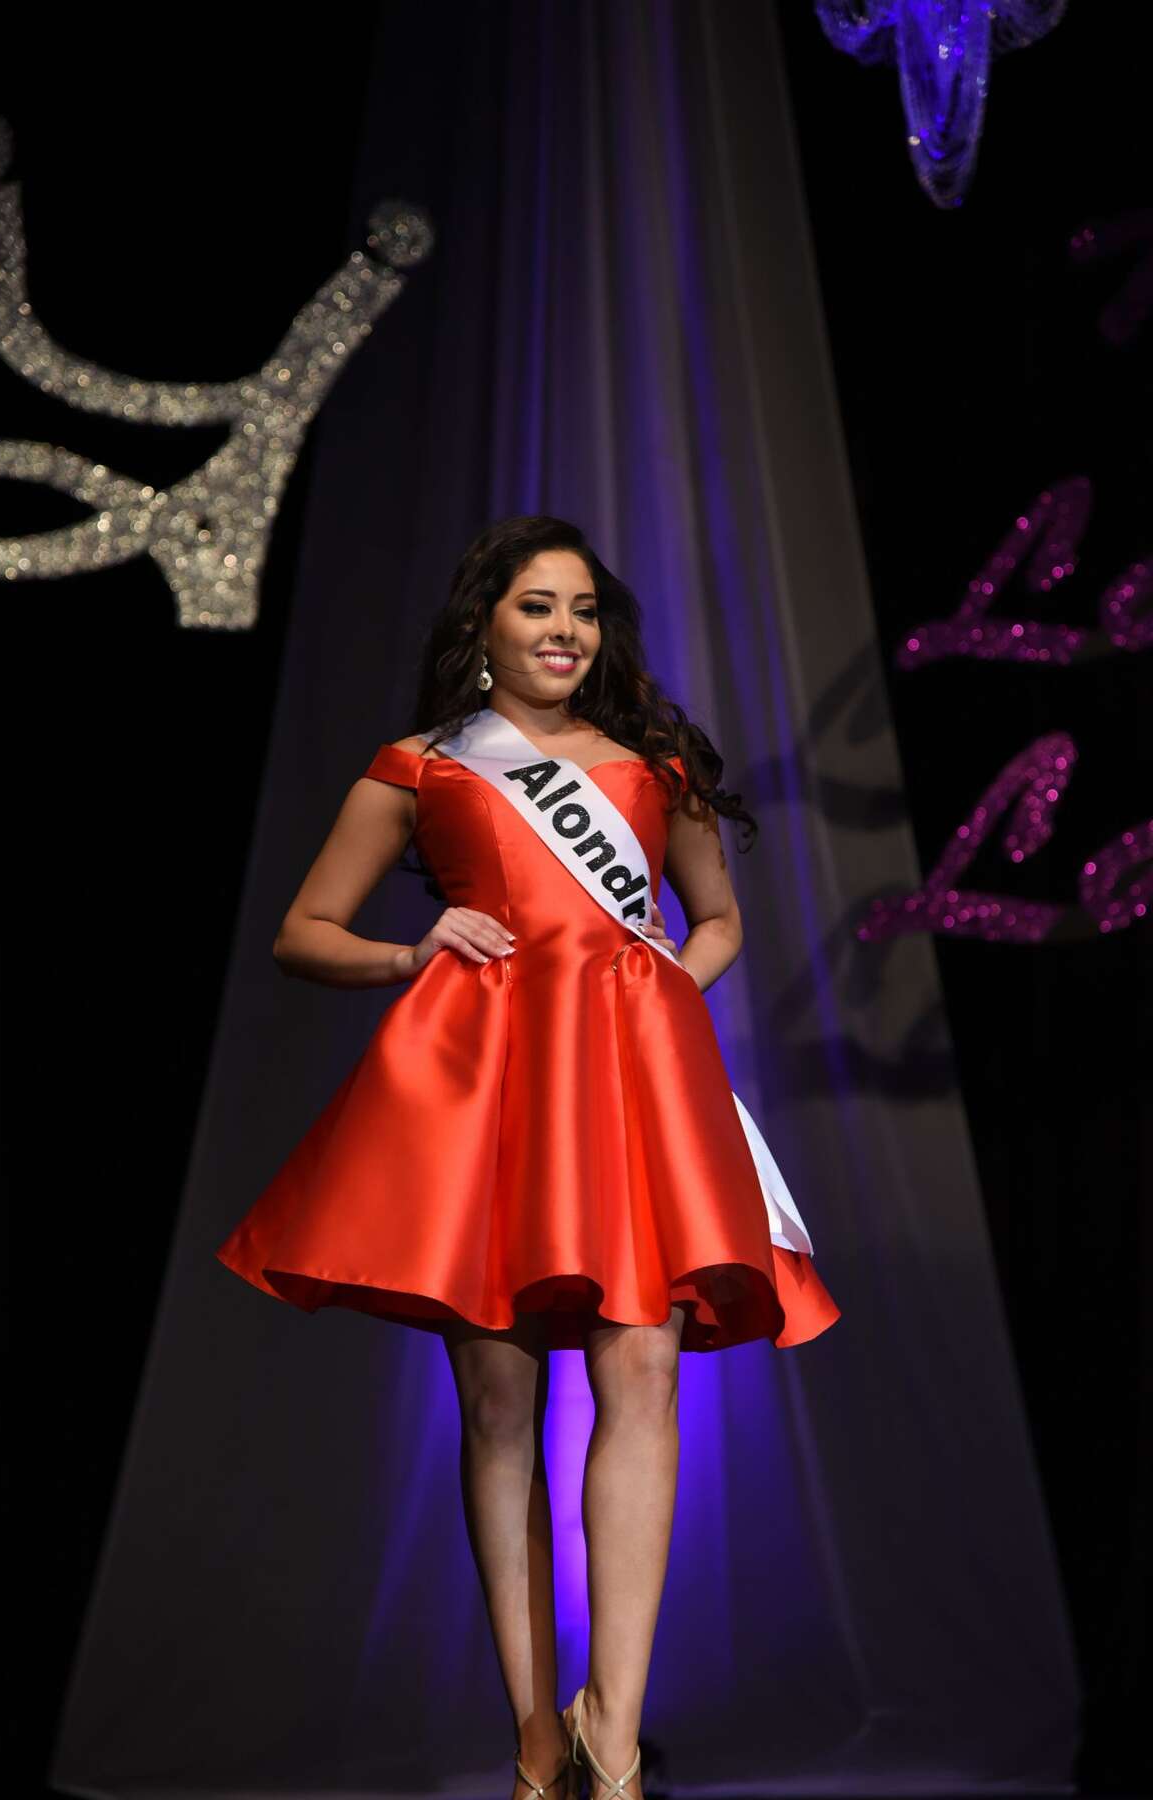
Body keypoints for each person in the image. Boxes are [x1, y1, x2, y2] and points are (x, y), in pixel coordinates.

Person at [216, 515, 840, 1800]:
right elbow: (302, 932)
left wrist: (669, 985)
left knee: (646, 1372)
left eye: (584, 612)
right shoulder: (425, 765)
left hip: (627, 1090)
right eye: (536, 608)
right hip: (489, 1093)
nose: (564, 632)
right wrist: (415, 949)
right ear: (482, 628)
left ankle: (614, 1736)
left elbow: (714, 920)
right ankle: (534, 1740)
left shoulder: (657, 761)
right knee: (500, 1407)